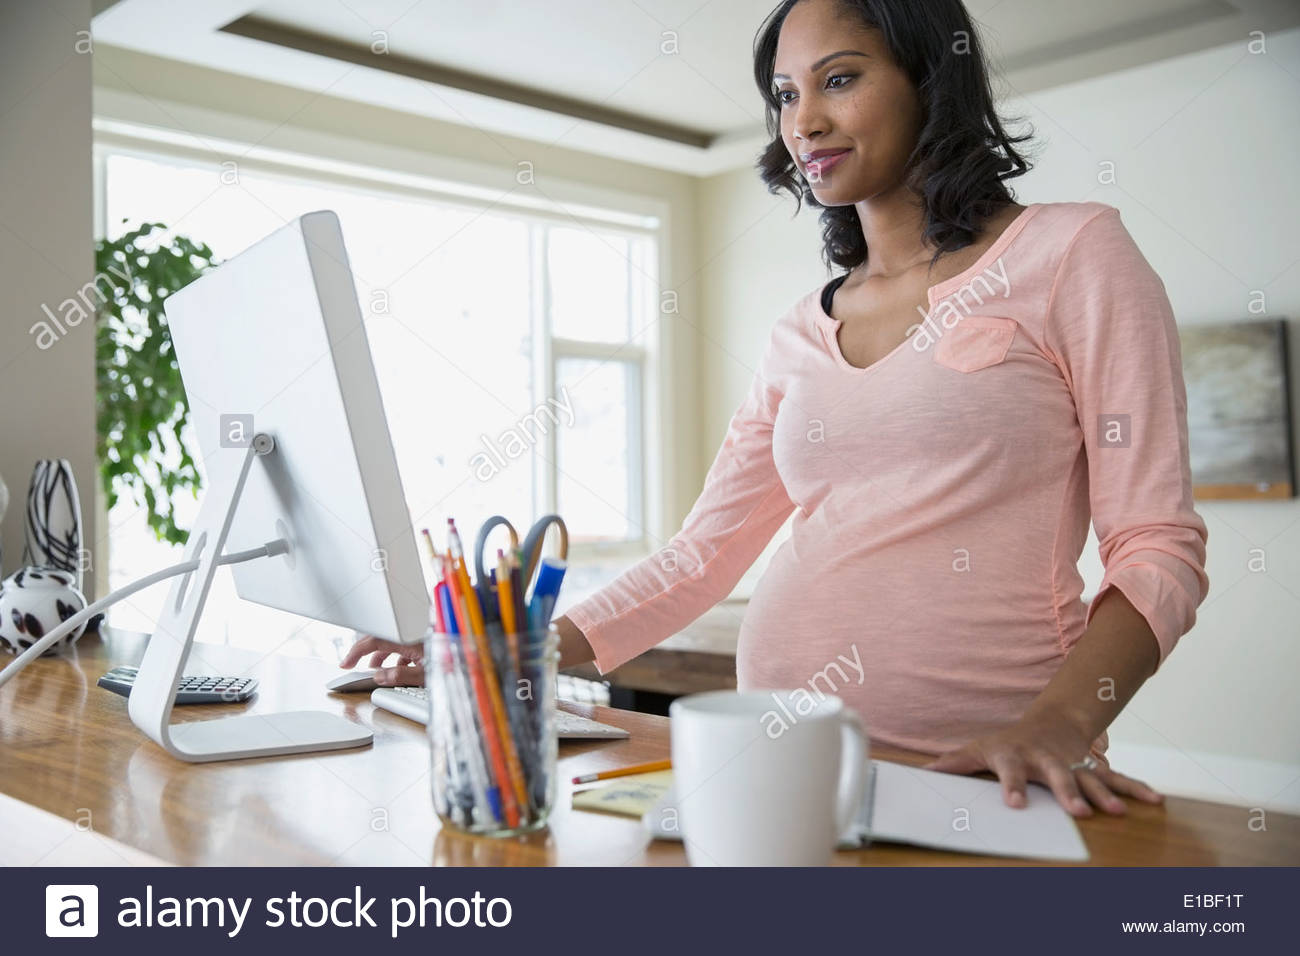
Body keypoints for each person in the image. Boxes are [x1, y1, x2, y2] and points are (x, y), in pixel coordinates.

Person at [343, 0, 1209, 820]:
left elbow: (1156, 547)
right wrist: (498, 654)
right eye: (785, 96)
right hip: (780, 759)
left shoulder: (1072, 253)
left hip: (986, 767)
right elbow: (697, 559)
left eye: (838, 80)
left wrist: (1058, 722)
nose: (802, 122)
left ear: (927, 79)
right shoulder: (801, 329)